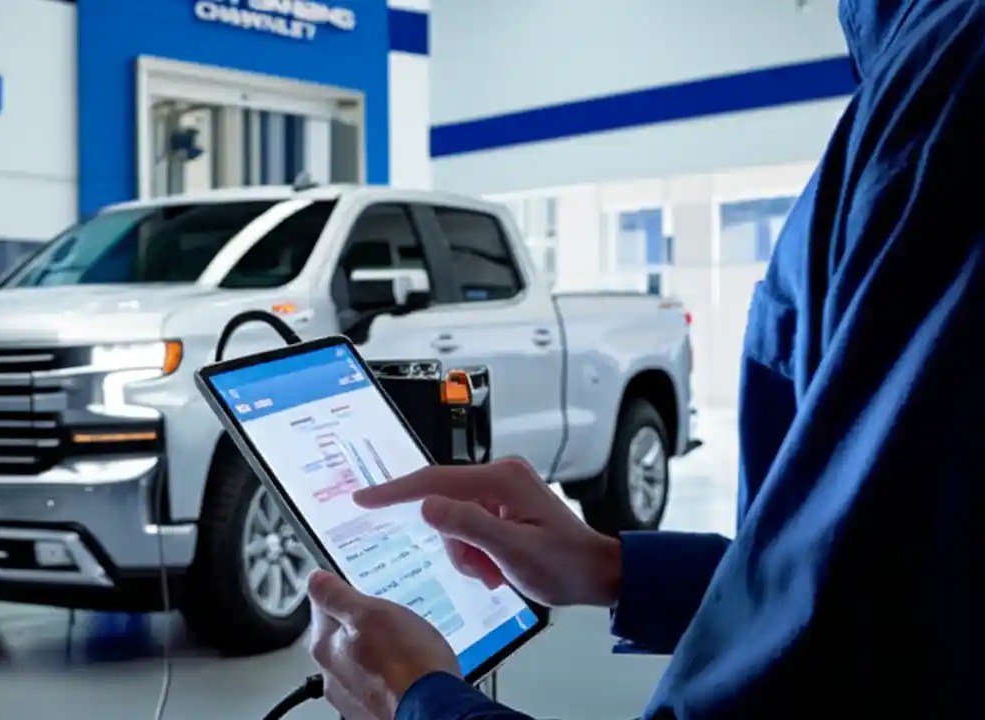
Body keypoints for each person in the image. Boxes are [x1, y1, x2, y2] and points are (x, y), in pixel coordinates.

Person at [305, 0, 977, 717]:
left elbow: (857, 654)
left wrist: (417, 702)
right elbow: (895, 591)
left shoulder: (953, 78)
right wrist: (613, 568)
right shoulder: (916, 66)